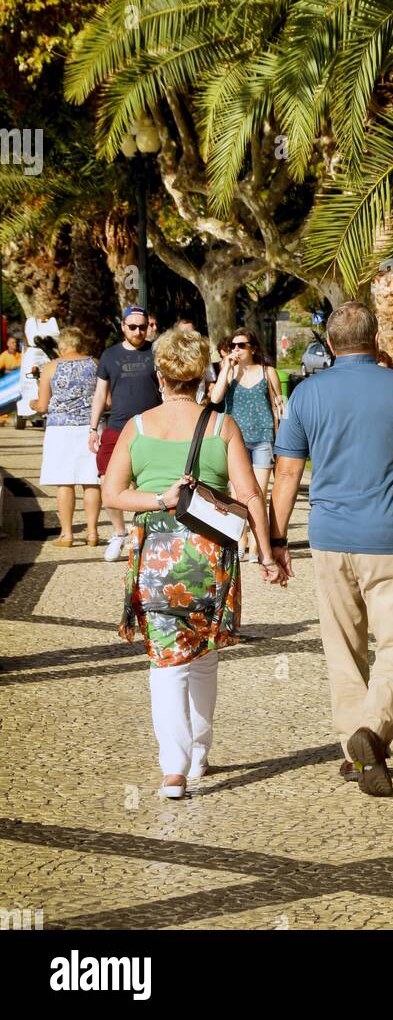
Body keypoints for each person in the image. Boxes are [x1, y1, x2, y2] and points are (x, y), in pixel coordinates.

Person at [270, 301, 393, 797]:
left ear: (330, 344)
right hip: (390, 539)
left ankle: (356, 753)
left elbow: (287, 472)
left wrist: (277, 537)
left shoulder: (306, 395)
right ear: (377, 341)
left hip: (330, 540)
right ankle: (372, 730)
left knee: (344, 649)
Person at [102, 327, 289, 800]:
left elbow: (112, 494)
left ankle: (174, 768)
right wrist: (267, 555)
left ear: (160, 375)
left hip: (158, 559)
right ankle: (200, 753)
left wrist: (157, 498)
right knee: (204, 657)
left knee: (166, 664)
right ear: (203, 373)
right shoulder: (221, 426)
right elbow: (249, 496)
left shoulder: (137, 427)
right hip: (211, 557)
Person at [89, 305, 161, 562]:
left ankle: (144, 534)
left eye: (143, 327)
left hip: (151, 428)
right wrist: (93, 427)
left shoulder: (156, 352)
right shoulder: (109, 355)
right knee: (107, 482)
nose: (139, 331)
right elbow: (100, 394)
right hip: (116, 428)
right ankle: (119, 532)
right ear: (122, 326)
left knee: (147, 484)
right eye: (133, 327)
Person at [210, 329, 283, 561]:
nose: (237, 350)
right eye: (233, 346)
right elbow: (215, 399)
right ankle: (240, 537)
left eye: (242, 345)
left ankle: (255, 544)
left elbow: (277, 408)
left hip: (263, 438)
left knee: (258, 493)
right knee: (239, 494)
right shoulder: (229, 373)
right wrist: (227, 368)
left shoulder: (267, 371)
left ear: (253, 348)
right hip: (235, 440)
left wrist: (279, 438)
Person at [29, 326, 101, 546]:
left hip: (60, 430)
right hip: (90, 427)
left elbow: (41, 406)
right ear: (80, 343)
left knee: (65, 483)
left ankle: (67, 534)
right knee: (91, 481)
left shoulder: (50, 367)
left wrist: (32, 403)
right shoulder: (95, 364)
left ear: (62, 344)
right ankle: (92, 533)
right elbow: (105, 400)